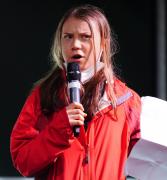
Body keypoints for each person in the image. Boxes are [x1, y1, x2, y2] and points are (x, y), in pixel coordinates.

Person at [10, 4, 141, 180]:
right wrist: (60, 128)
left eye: (85, 37)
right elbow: (23, 161)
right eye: (68, 37)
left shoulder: (127, 100)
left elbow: (147, 162)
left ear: (103, 43)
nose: (75, 45)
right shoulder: (43, 96)